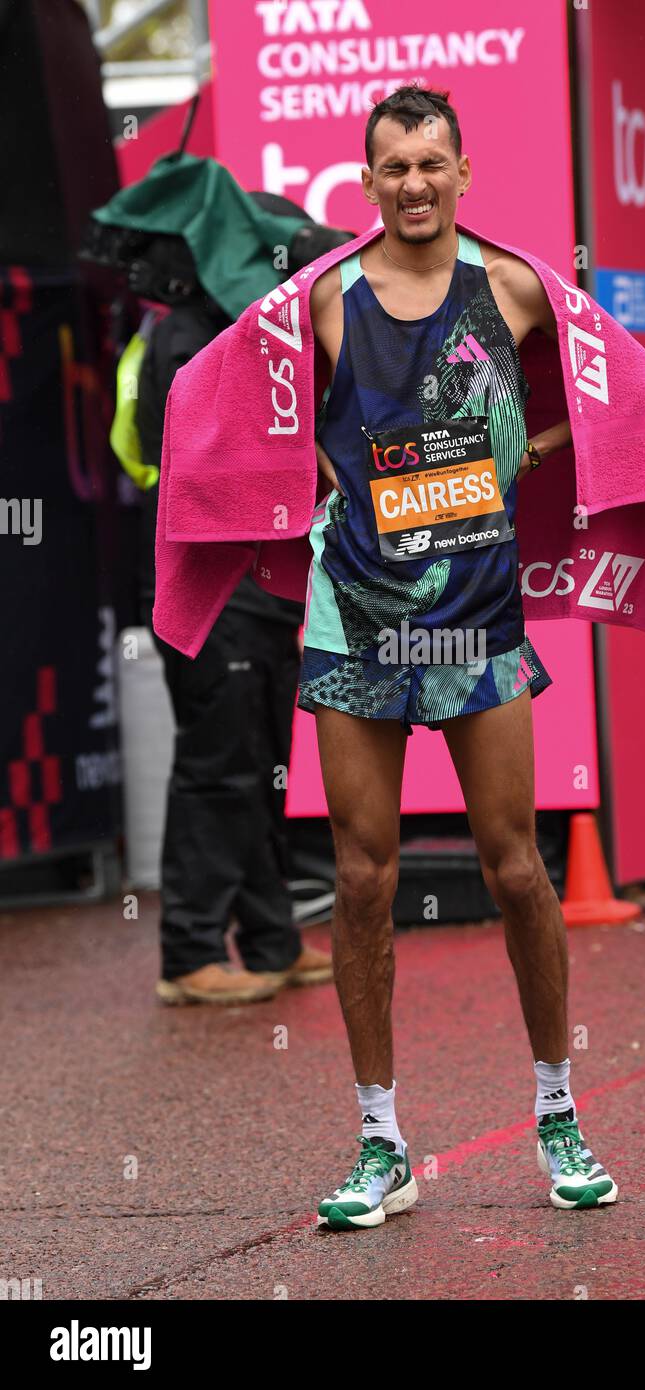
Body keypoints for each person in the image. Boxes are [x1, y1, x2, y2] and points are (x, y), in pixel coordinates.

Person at [304, 84, 617, 1229]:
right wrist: (325, 484)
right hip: (355, 616)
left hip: (477, 616)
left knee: (515, 864)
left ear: (464, 172)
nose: (414, 184)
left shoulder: (517, 288)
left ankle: (557, 1111)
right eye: (392, 168)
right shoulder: (325, 301)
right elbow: (260, 427)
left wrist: (516, 455)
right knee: (363, 874)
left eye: (431, 164)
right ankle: (379, 1139)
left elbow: (612, 401)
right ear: (369, 180)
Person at [135, 271, 333, 1006]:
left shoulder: (258, 331)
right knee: (217, 768)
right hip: (216, 597)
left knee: (256, 766)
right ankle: (188, 953)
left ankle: (271, 940)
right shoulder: (196, 336)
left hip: (259, 601)